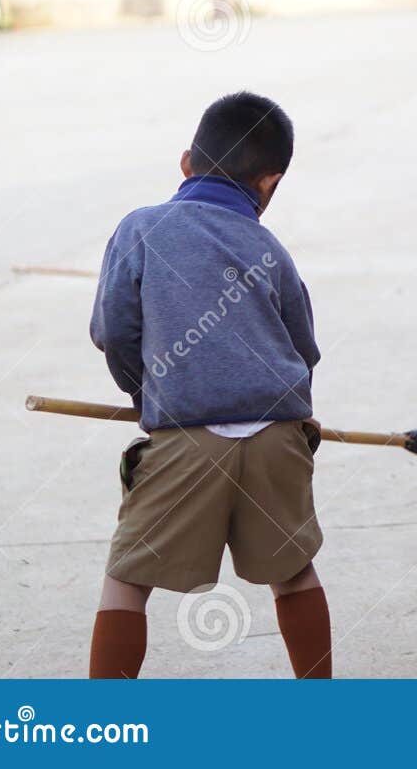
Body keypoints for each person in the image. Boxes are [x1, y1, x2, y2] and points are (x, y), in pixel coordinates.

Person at [87, 91, 331, 678]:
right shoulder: (269, 247)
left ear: (185, 162)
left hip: (186, 437)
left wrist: (146, 395)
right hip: (276, 434)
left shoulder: (141, 229)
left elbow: (113, 331)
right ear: (269, 183)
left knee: (127, 580)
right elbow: (303, 349)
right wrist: (294, 419)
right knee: (293, 571)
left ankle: (99, 722)